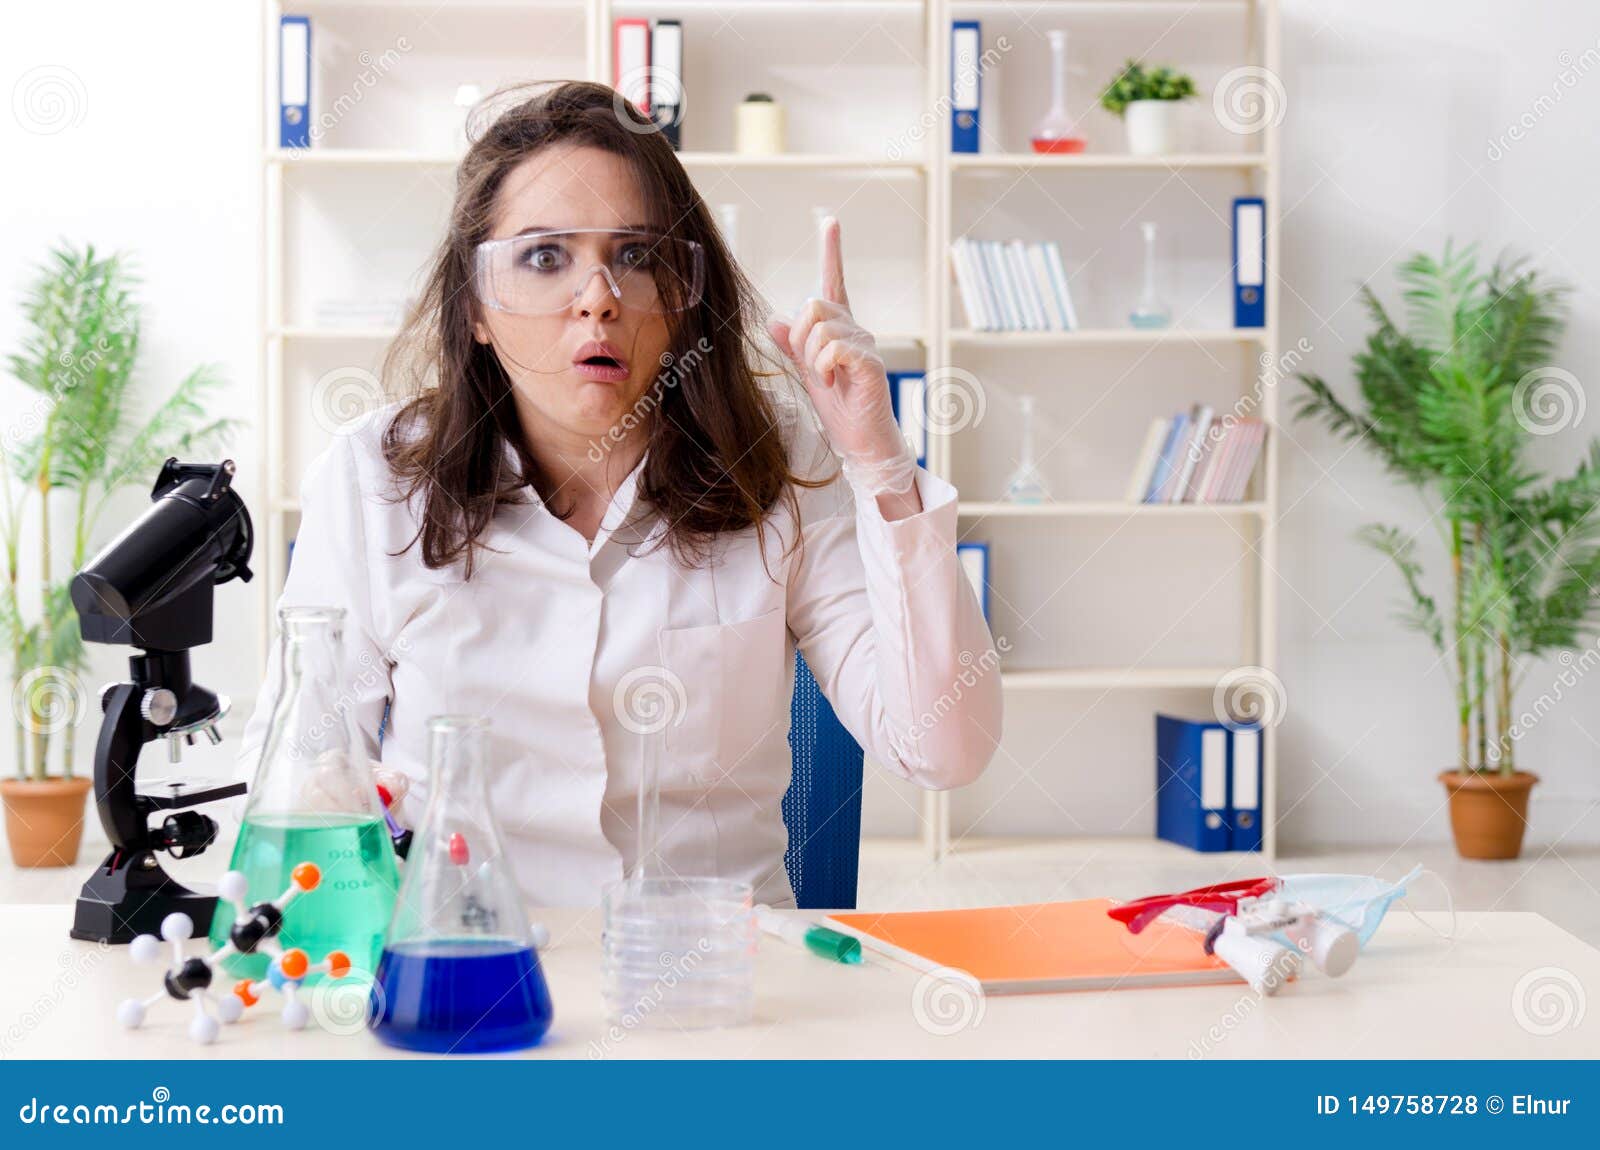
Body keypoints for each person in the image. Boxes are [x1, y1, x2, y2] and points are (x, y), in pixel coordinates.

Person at [237, 80, 1002, 907]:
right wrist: (339, 803)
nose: (597, 297)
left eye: (636, 256)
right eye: (543, 256)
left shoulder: (778, 461)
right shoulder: (378, 475)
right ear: (477, 309)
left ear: (682, 301)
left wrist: (879, 459)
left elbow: (946, 749)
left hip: (715, 982)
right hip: (470, 967)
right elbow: (294, 767)